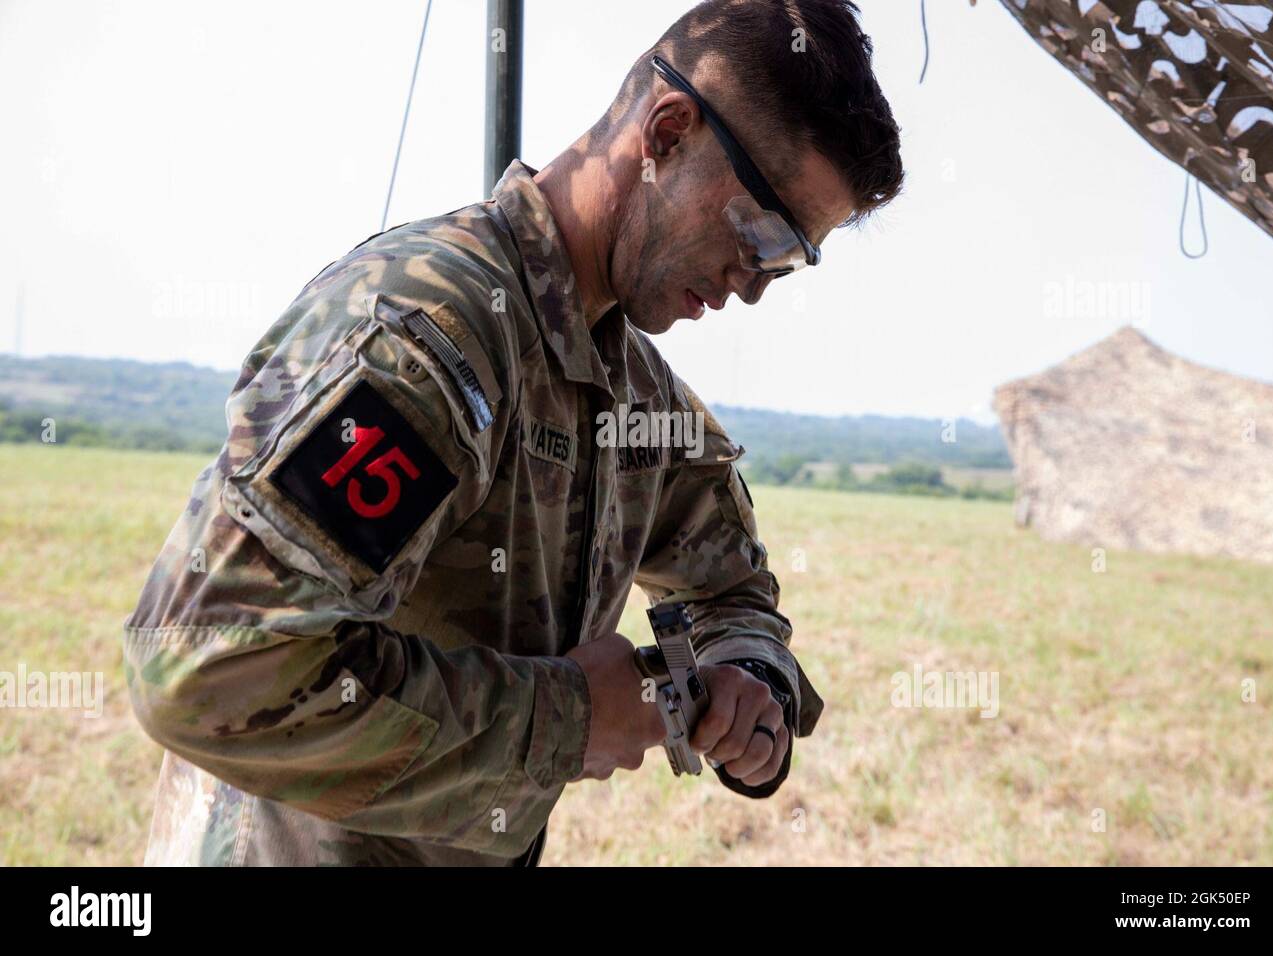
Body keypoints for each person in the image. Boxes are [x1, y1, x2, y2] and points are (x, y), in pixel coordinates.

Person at [124, 0, 903, 866]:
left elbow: (729, 583)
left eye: (789, 259)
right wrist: (570, 716)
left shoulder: (630, 389)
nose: (755, 285)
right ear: (669, 135)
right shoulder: (429, 344)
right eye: (760, 231)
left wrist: (749, 681)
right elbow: (203, 668)